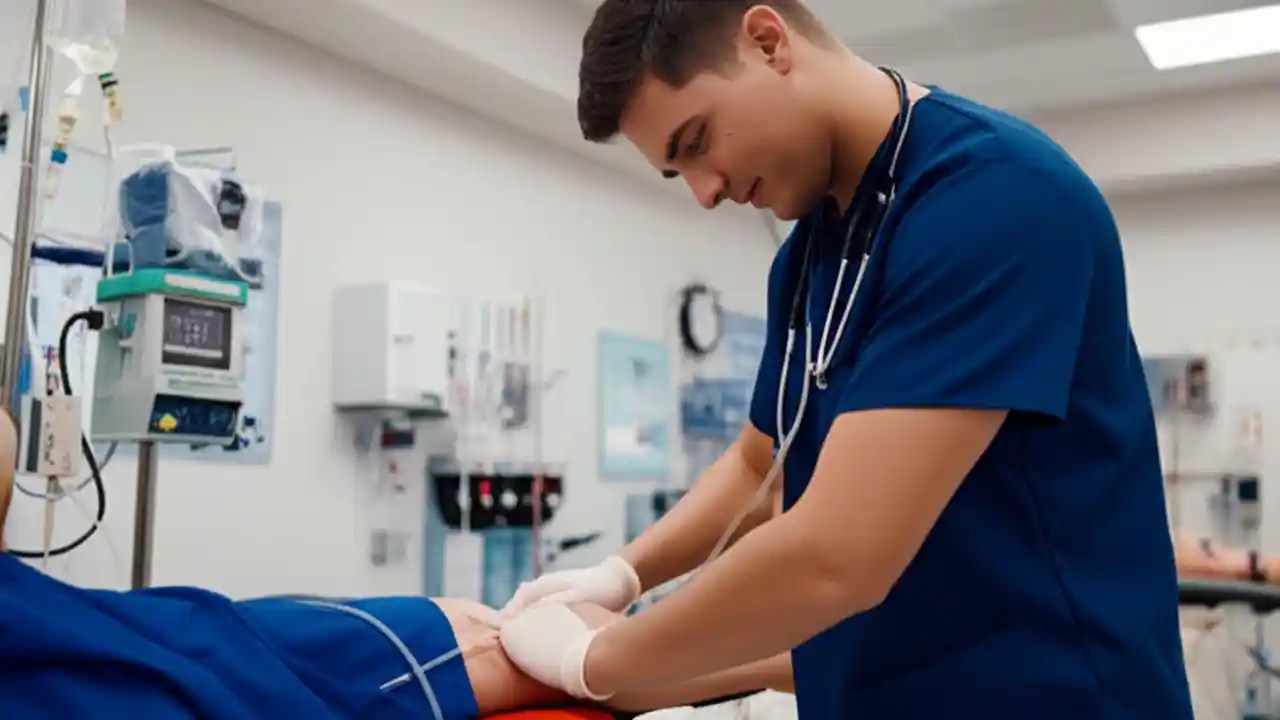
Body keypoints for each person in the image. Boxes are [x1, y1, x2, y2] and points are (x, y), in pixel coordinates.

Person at [496, 1, 1196, 717]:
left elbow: (838, 554)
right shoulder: (806, 261)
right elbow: (760, 472)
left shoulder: (994, 199)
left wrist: (597, 658)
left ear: (769, 42)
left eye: (698, 140)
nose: (707, 193)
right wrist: (621, 573)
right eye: (679, 174)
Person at [0, 413, 791, 718]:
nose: (707, 190)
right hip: (166, 663)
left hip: (184, 642)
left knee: (518, 638)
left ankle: (795, 664)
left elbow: (772, 473)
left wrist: (622, 576)